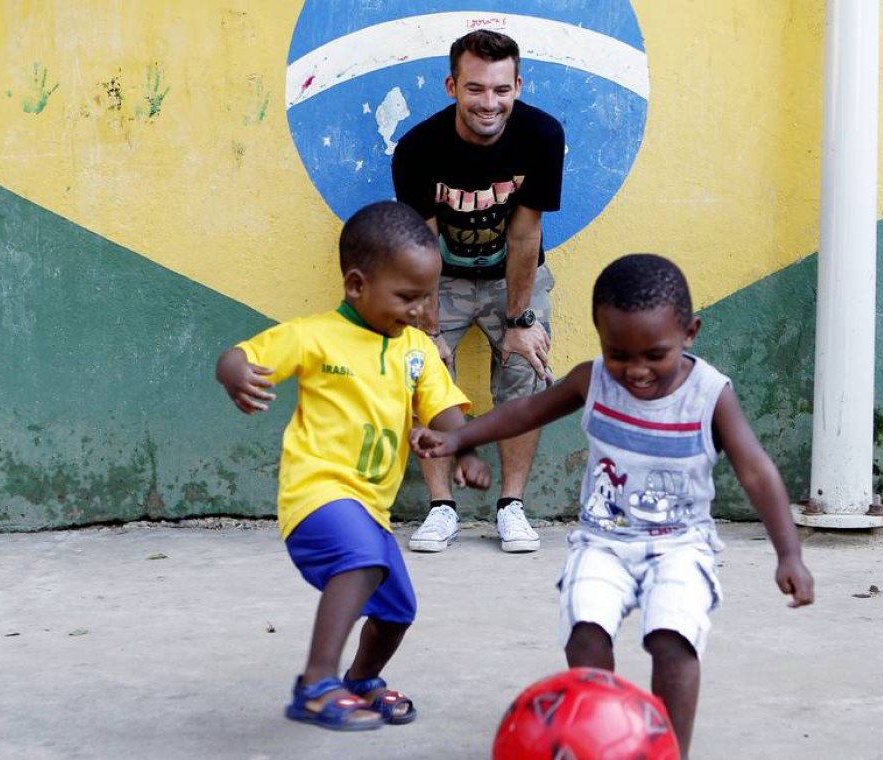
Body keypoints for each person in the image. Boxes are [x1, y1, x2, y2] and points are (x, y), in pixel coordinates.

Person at [411, 254, 815, 756]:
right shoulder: (594, 379)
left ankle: (669, 751)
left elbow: (757, 471)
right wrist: (458, 439)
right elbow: (527, 409)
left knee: (673, 643)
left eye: (654, 355)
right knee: (585, 634)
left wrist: (789, 553)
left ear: (690, 333)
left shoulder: (710, 394)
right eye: (618, 353)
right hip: (602, 542)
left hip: (680, 545)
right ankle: (597, 739)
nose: (636, 370)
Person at [215, 200, 491, 732]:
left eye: (427, 296)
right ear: (357, 285)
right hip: (317, 493)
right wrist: (235, 374)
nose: (419, 310)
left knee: (397, 610)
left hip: (371, 509)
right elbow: (240, 355)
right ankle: (315, 685)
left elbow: (444, 410)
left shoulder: (416, 350)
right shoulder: (314, 336)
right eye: (407, 297)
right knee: (362, 562)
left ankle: (360, 681)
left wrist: (467, 450)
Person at [391, 29, 565, 554]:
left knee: (523, 379)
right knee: (425, 377)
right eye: (475, 89)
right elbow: (422, 245)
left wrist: (519, 321)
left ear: (518, 86)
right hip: (440, 276)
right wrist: (428, 330)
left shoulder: (541, 135)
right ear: (452, 87)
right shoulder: (417, 148)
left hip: (511, 275)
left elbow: (525, 236)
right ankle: (441, 508)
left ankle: (511, 506)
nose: (489, 103)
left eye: (501, 89)